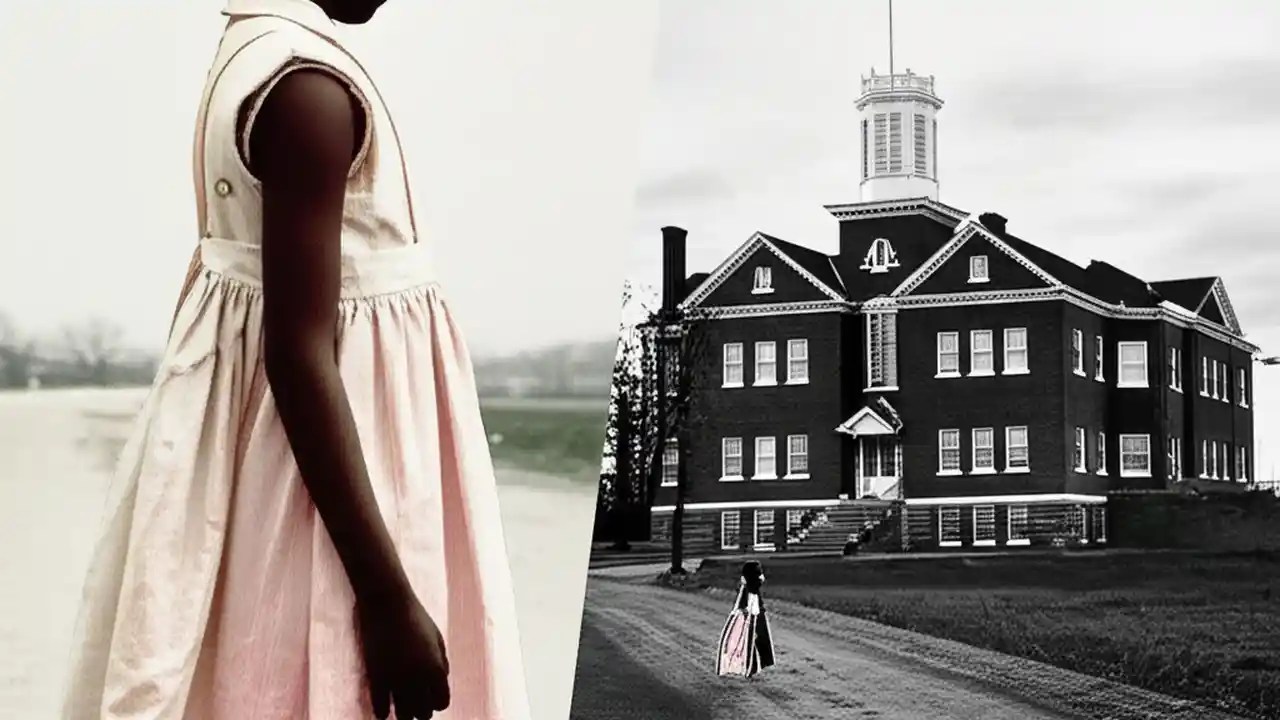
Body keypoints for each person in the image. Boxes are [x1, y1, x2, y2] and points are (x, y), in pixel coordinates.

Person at [59, 1, 530, 718]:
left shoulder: (253, 51)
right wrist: (387, 597)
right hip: (332, 474)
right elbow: (298, 354)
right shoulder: (305, 89)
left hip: (284, 455)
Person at [715, 561, 776, 678]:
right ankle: (751, 666)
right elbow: (745, 600)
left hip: (755, 613)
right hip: (749, 615)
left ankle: (756, 665)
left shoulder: (748, 586)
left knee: (756, 639)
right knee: (749, 640)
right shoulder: (748, 588)